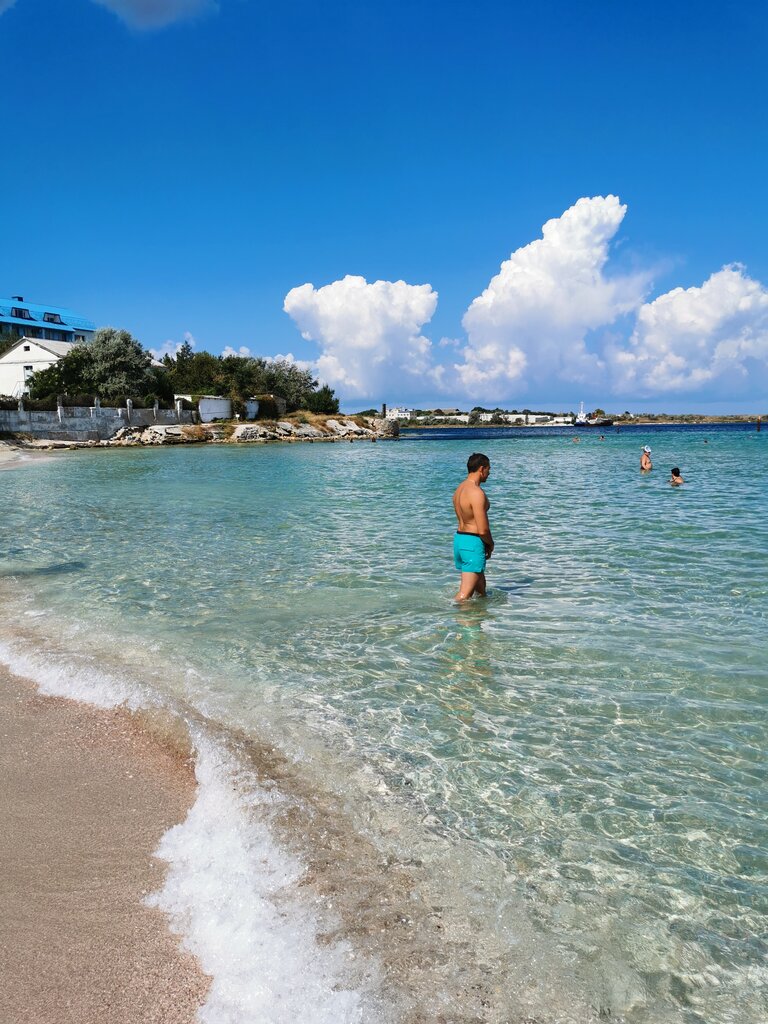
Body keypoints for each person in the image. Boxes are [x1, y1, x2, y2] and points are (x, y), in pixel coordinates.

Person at [452, 453, 494, 601]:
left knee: (480, 589)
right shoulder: (476, 493)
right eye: (489, 469)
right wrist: (491, 544)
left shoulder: (459, 489)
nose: (489, 474)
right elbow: (483, 529)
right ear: (482, 469)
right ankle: (453, 618)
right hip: (472, 542)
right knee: (464, 595)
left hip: (460, 540)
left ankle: (479, 615)